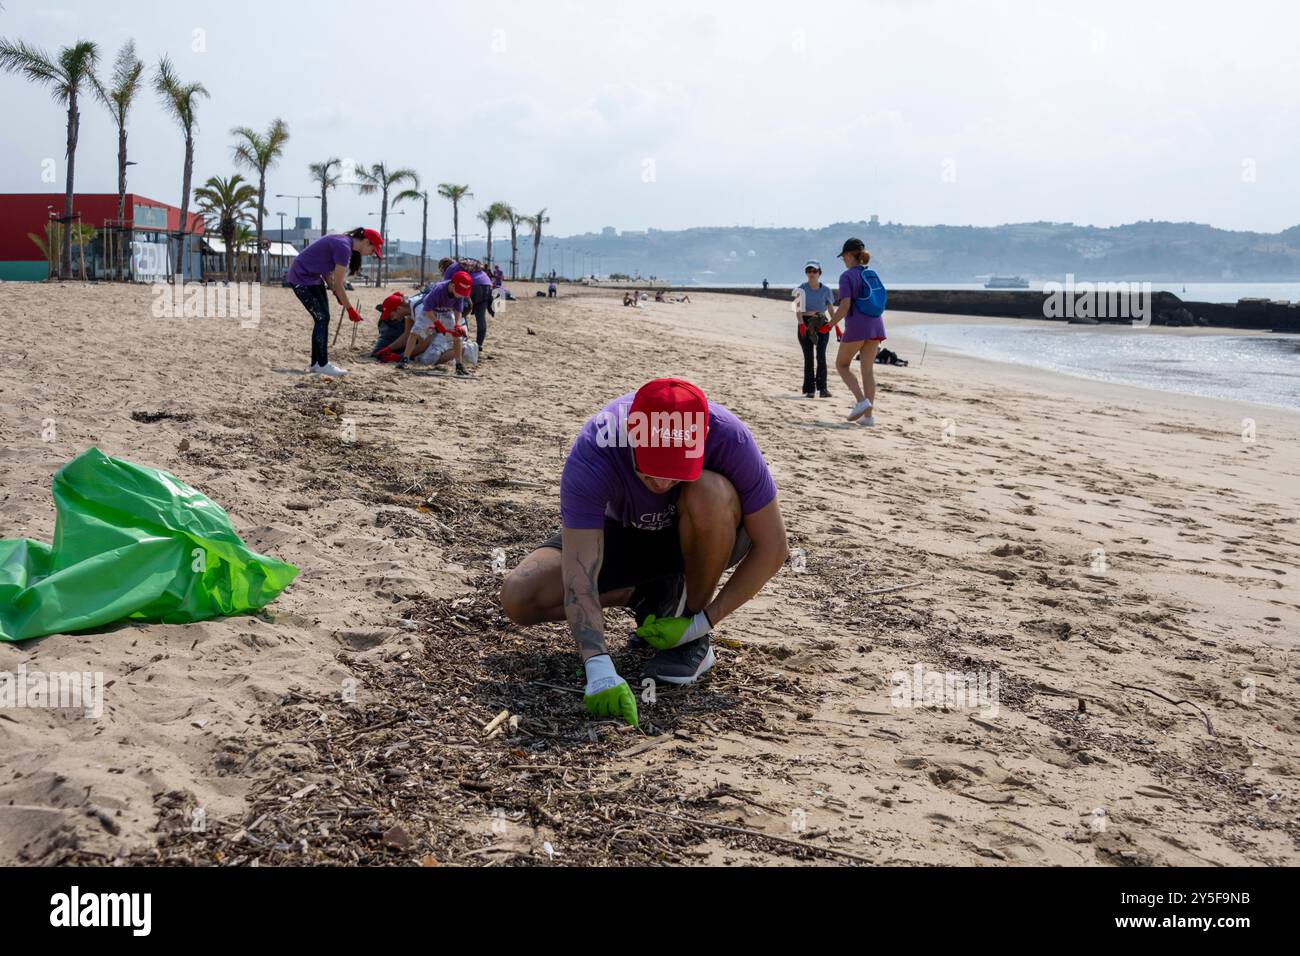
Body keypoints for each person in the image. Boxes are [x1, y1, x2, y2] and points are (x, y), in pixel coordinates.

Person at [500, 378, 788, 727]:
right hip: (623, 534)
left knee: (709, 491)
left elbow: (773, 548)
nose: (664, 483)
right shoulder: (597, 446)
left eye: (675, 471)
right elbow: (580, 570)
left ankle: (687, 620)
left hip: (703, 534)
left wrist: (700, 623)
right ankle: (650, 594)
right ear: (633, 434)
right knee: (520, 597)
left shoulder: (728, 435)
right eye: (653, 469)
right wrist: (598, 665)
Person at [285, 227, 382, 376]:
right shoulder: (344, 248)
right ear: (366, 242)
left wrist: (336, 293)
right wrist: (350, 309)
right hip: (300, 277)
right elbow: (339, 283)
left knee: (322, 319)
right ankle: (322, 364)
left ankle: (316, 364)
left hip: (314, 278)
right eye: (373, 250)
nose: (372, 254)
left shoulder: (344, 243)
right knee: (322, 318)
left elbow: (326, 272)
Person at [826, 238, 886, 425]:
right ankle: (868, 418)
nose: (843, 260)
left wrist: (829, 325)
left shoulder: (847, 276)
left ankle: (861, 402)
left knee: (842, 365)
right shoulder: (871, 273)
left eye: (843, 256)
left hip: (858, 326)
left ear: (850, 255)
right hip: (876, 325)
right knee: (867, 371)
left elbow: (844, 306)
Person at [399, 271, 474, 374]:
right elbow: (427, 309)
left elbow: (458, 311)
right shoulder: (439, 289)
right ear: (452, 285)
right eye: (460, 292)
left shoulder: (460, 295)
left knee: (457, 336)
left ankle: (459, 366)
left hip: (446, 311)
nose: (461, 295)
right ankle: (405, 359)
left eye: (463, 293)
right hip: (430, 310)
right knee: (415, 332)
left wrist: (457, 324)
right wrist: (437, 323)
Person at [796, 259, 837, 398]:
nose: (811, 273)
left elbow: (831, 309)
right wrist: (802, 324)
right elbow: (797, 310)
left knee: (821, 356)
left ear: (819, 273)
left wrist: (835, 326)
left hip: (822, 323)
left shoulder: (826, 290)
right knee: (808, 357)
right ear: (806, 273)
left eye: (814, 271)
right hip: (805, 323)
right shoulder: (800, 289)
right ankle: (810, 389)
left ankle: (823, 389)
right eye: (809, 271)